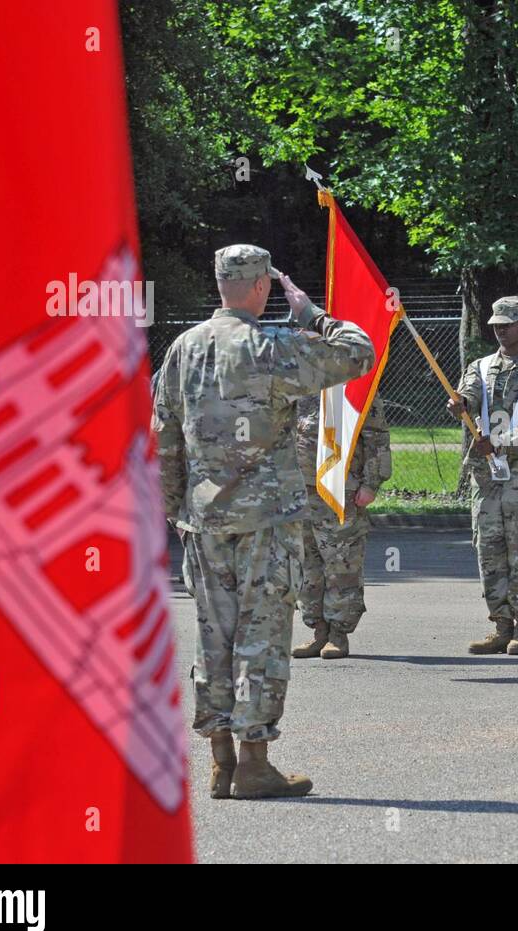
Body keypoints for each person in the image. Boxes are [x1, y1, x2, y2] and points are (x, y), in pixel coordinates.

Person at [152, 244, 374, 799]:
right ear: (261, 287)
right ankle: (254, 762)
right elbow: (359, 351)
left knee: (213, 636)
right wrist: (312, 313)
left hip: (203, 520)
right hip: (266, 520)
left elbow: (163, 439)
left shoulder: (184, 348)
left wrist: (175, 510)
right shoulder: (271, 346)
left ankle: (220, 763)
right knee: (263, 636)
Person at [450, 296, 518, 655]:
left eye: (508, 323)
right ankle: (501, 625)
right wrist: (459, 403)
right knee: (489, 550)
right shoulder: (480, 367)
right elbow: (467, 395)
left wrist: (500, 441)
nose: (501, 330)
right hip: (486, 477)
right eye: (496, 324)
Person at [290, 400, 391, 660]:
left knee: (341, 562)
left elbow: (377, 436)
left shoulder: (355, 377)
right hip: (299, 487)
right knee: (306, 562)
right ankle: (318, 630)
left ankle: (338, 634)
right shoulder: (296, 374)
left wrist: (371, 483)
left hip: (341, 485)